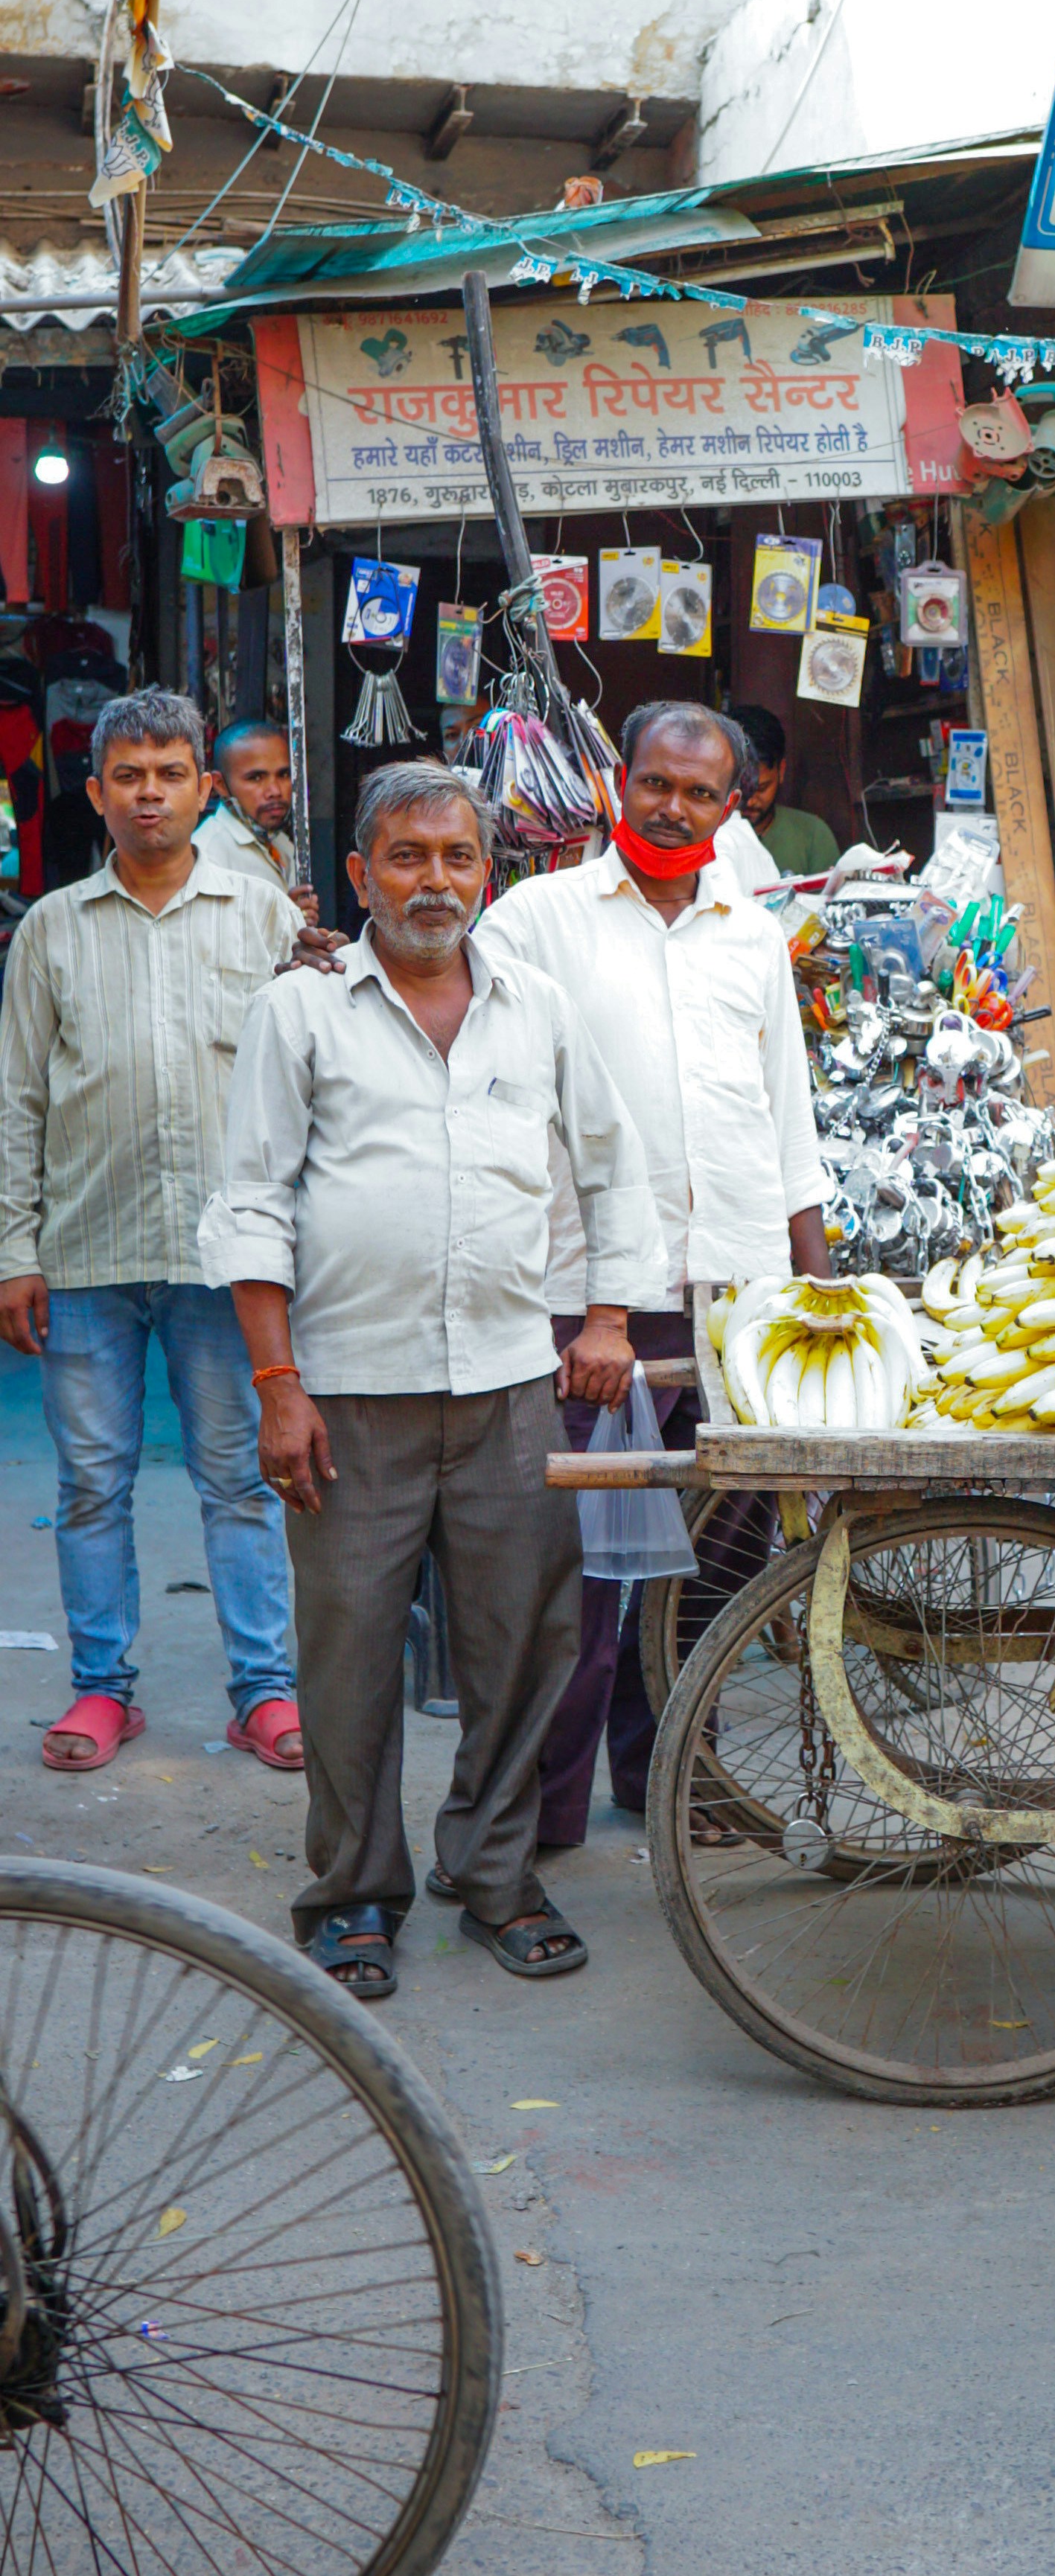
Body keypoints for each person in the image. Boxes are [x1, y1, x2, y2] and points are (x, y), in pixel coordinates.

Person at [286, 700, 827, 1838]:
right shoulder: (536, 917)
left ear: (735, 806)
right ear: (615, 787)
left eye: (699, 792)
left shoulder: (748, 934)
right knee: (563, 1580)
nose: (672, 808)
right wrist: (329, 954)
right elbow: (419, 968)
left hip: (729, 1296)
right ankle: (544, 1807)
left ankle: (678, 1775)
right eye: (655, 785)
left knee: (712, 1568)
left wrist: (809, 1281)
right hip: (578, 1302)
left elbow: (788, 1122)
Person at [200, 762, 666, 1996]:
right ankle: (353, 1892)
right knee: (348, 1651)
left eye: (457, 857)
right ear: (360, 876)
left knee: (523, 1645)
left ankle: (496, 1872)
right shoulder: (298, 1015)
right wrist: (277, 1385)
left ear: (486, 870)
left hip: (511, 1384)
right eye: (406, 857)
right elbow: (250, 1202)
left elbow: (614, 1168)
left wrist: (608, 1312)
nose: (435, 881)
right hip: (349, 1391)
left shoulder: (537, 1008)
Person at [0, 688, 302, 1774]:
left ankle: (264, 1692)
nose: (149, 795)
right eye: (127, 776)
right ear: (95, 795)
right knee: (91, 1484)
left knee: (241, 1479)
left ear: (202, 789)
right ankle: (101, 1689)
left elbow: (302, 1085)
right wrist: (14, 1253)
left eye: (170, 774)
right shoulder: (51, 929)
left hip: (229, 1260)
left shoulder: (263, 913)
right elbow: (16, 1100)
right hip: (87, 1252)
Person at [195, 717, 318, 916]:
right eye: (256, 778)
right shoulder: (208, 855)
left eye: (284, 775)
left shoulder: (278, 842)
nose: (275, 791)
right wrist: (281, 920)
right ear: (220, 784)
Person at [730, 703, 839, 878]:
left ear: (781, 771)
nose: (750, 801)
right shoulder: (708, 836)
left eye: (761, 788)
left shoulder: (813, 836)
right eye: (741, 790)